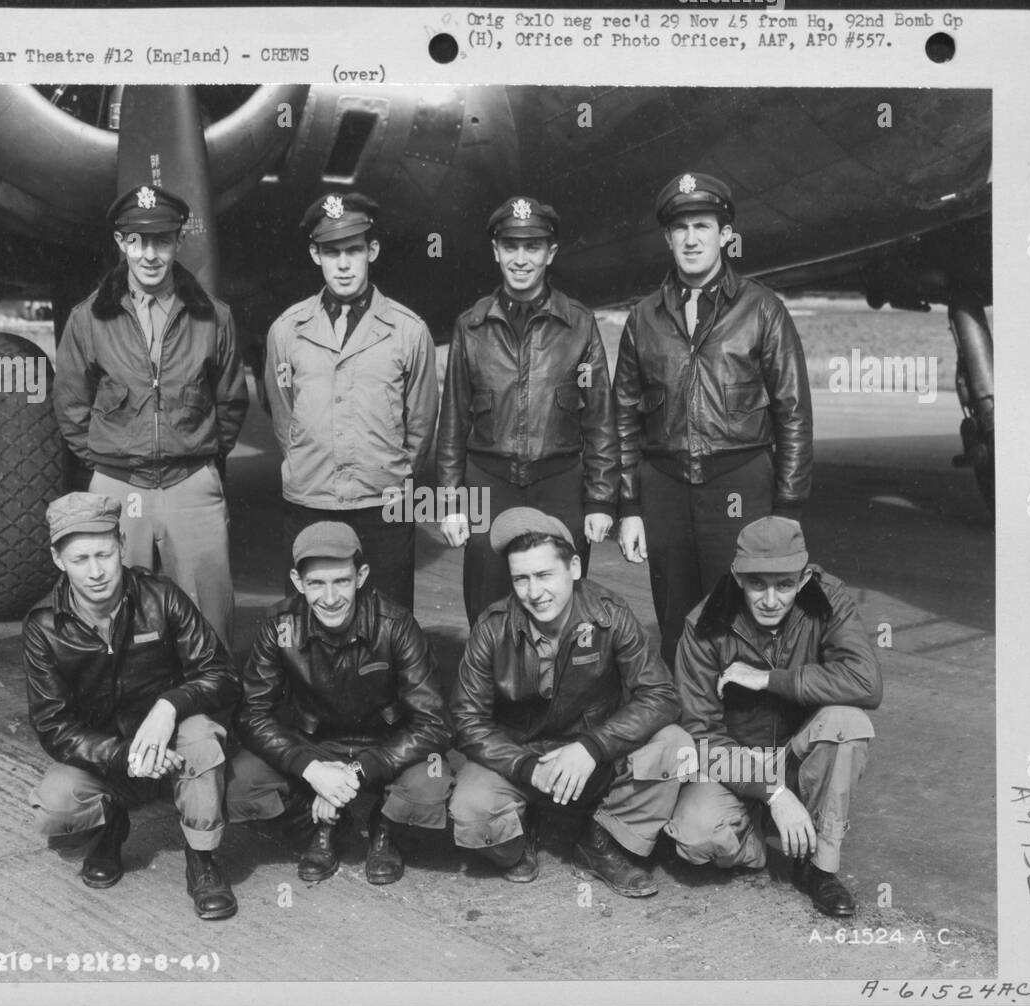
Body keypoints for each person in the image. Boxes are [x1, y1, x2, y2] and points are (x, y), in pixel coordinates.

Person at [614, 171, 813, 668]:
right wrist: (630, 505)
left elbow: (794, 412)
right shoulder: (643, 318)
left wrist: (786, 506)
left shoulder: (763, 309)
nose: (691, 239)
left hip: (740, 482)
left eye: (702, 226)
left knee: (745, 620)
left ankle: (748, 731)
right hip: (665, 487)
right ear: (667, 238)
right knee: (677, 623)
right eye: (680, 229)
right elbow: (621, 418)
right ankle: (686, 729)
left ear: (725, 234)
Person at [448, 507, 692, 897]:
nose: (534, 592)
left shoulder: (609, 614)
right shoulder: (492, 627)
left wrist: (593, 747)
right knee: (472, 813)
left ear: (574, 567)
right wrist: (526, 767)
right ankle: (524, 824)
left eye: (545, 575)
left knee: (676, 745)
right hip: (521, 759)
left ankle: (599, 842)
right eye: (521, 579)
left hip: (595, 758)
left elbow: (661, 695)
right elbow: (466, 720)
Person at [24, 493, 242, 920]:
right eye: (80, 558)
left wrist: (169, 705)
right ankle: (109, 828)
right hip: (106, 758)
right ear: (57, 559)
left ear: (122, 543)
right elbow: (53, 726)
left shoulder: (160, 597)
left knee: (201, 736)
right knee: (56, 801)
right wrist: (128, 757)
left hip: (173, 748)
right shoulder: (44, 626)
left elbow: (222, 674)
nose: (96, 571)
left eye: (104, 553)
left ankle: (201, 858)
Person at [54, 183, 249, 649]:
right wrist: (111, 460)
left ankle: (208, 714)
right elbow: (71, 405)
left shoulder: (214, 318)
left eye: (161, 240)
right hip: (119, 486)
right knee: (113, 609)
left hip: (190, 482)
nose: (150, 255)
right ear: (121, 243)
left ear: (179, 241)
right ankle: (124, 711)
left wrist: (196, 457)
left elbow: (231, 402)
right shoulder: (88, 320)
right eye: (137, 241)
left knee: (209, 612)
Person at [666, 516, 882, 917]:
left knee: (847, 721)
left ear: (802, 580)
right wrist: (773, 794)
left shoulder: (827, 597)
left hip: (796, 754)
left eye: (784, 585)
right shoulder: (703, 625)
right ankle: (767, 835)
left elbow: (866, 682)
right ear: (736, 577)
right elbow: (702, 736)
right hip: (735, 766)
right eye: (757, 584)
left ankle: (819, 867)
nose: (770, 600)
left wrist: (769, 679)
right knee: (695, 838)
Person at [231, 522, 453, 885]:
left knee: (431, 781)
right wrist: (311, 770)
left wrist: (358, 771)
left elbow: (435, 723)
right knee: (242, 783)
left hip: (386, 748)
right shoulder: (278, 627)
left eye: (342, 582)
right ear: (298, 581)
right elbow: (253, 714)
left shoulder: (395, 625)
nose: (330, 598)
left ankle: (386, 826)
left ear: (361, 576)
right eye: (316, 583)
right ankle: (324, 823)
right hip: (314, 745)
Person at [437, 196, 619, 626]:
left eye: (533, 247)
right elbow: (452, 422)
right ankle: (489, 692)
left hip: (559, 484)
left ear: (550, 253)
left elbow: (599, 418)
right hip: (489, 482)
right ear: (496, 251)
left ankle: (559, 692)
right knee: (486, 610)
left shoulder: (579, 325)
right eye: (511, 247)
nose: (521, 259)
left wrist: (601, 500)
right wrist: (449, 501)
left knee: (560, 607)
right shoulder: (471, 326)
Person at [263, 192, 438, 610]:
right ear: (314, 255)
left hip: (384, 504)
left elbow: (421, 423)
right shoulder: (287, 330)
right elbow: (285, 416)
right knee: (311, 622)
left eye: (353, 250)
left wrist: (388, 474)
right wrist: (311, 463)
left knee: (390, 622)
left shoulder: (408, 330)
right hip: (312, 500)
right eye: (331, 252)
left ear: (371, 251)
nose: (343, 264)